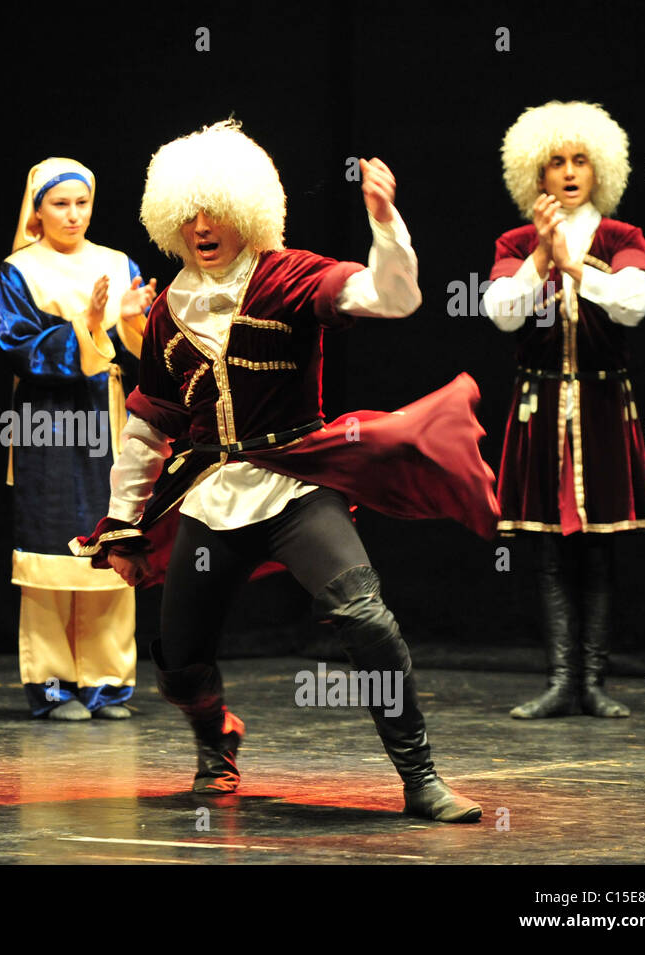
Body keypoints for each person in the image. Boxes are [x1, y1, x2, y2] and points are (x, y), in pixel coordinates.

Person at [75, 121, 495, 822]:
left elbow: (392, 297)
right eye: (189, 213)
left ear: (248, 211)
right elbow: (149, 422)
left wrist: (385, 225)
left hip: (297, 488)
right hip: (211, 500)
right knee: (177, 660)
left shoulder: (289, 276)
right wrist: (122, 521)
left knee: (369, 622)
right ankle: (217, 746)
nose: (202, 226)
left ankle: (421, 775)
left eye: (215, 210)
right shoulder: (165, 313)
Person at [482, 101, 645, 720]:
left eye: (581, 159)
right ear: (538, 175)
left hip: (604, 403)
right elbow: (501, 311)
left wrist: (577, 265)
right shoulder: (516, 242)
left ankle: (593, 682)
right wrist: (540, 260)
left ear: (599, 169)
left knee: (599, 548)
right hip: (542, 404)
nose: (570, 170)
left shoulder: (620, 237)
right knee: (552, 548)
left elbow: (636, 301)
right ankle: (562, 680)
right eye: (556, 161)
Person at [0, 158, 156, 720]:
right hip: (49, 420)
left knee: (111, 535)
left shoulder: (117, 262)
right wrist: (92, 326)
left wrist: (136, 320)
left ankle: (108, 680)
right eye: (59, 204)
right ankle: (54, 682)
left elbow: (143, 350)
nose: (72, 214)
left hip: (108, 415)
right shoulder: (19, 270)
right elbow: (19, 347)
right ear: (36, 209)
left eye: (81, 202)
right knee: (51, 542)